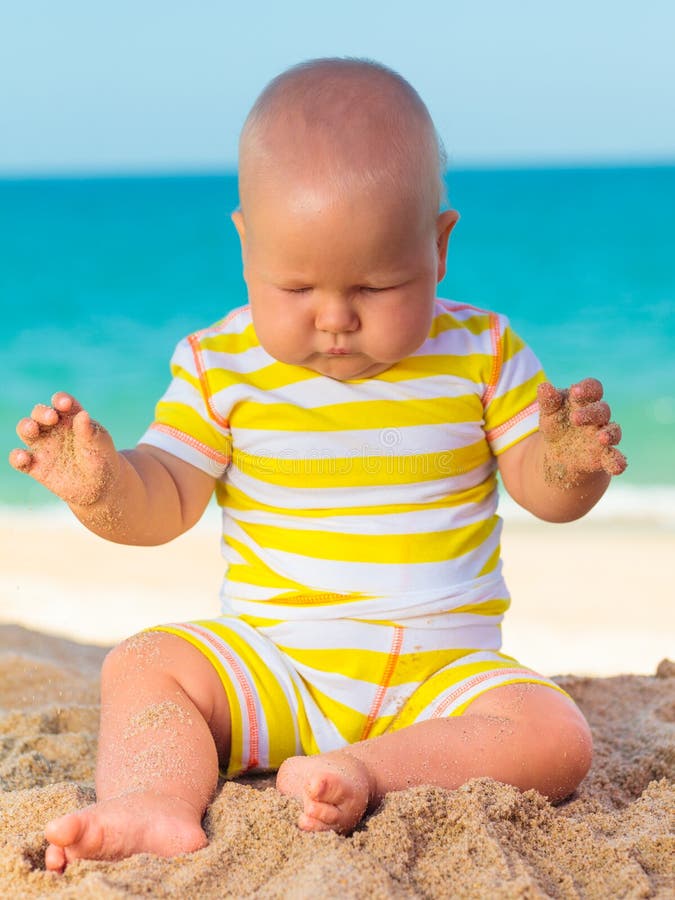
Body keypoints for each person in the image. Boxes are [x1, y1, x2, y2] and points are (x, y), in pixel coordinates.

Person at [9, 58, 626, 872]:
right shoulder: (219, 365)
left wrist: (569, 465)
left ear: (438, 246)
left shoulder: (483, 352)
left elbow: (539, 491)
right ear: (246, 246)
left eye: (377, 285)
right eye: (296, 287)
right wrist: (103, 490)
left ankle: (363, 771)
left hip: (442, 680)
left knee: (555, 737)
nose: (334, 319)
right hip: (273, 665)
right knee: (144, 664)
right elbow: (165, 497)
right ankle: (155, 799)